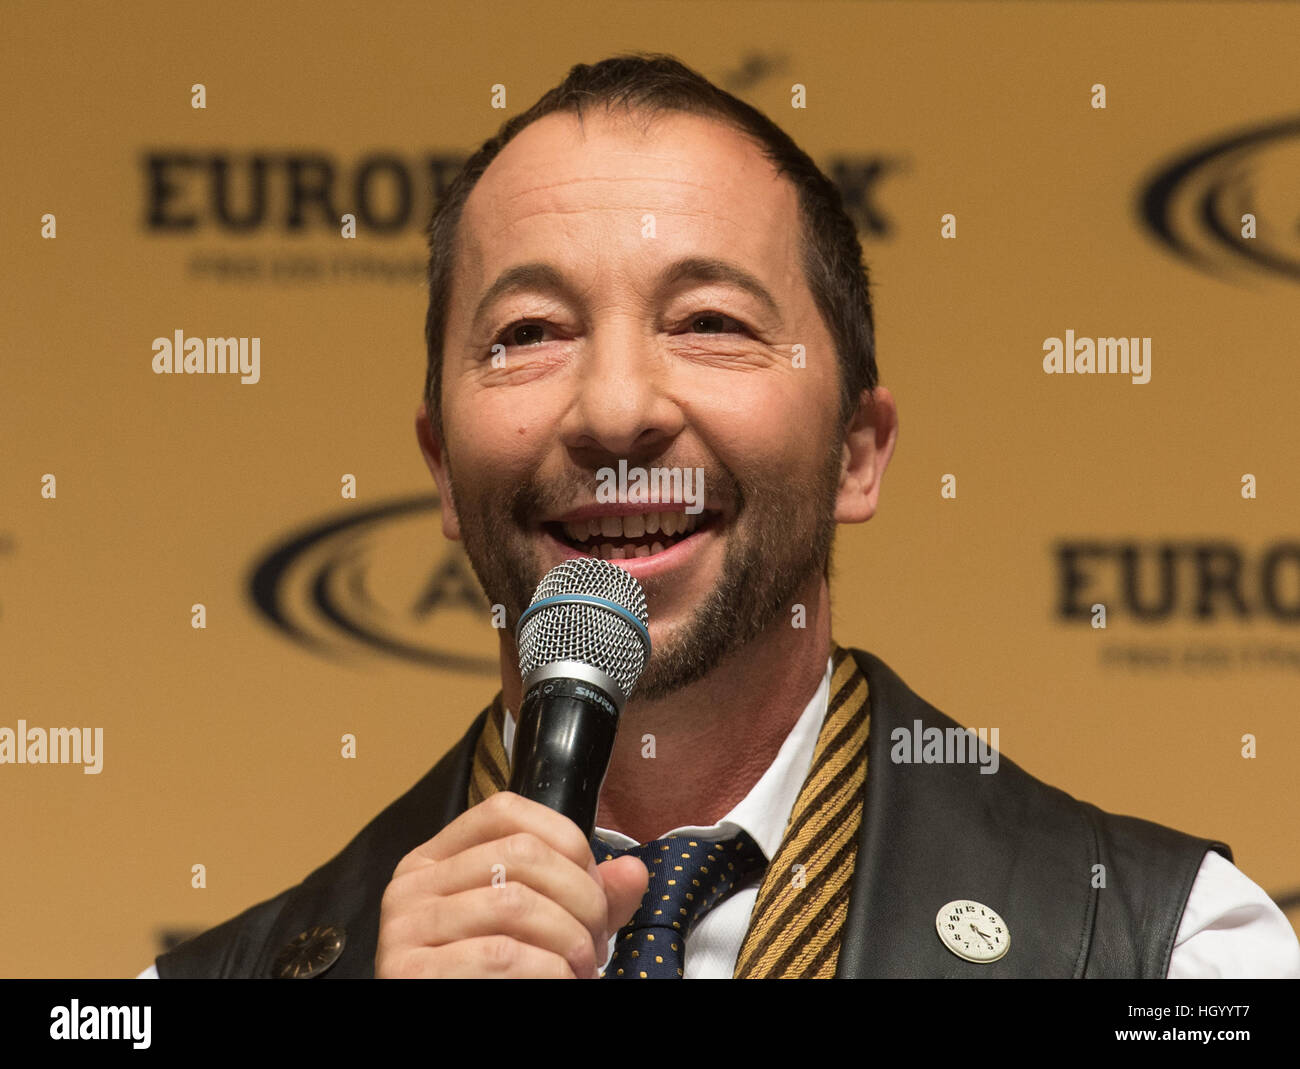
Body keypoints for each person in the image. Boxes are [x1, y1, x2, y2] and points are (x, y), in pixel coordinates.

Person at [143, 53, 1299, 979]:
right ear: (443, 471)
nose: (615, 411)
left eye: (707, 320)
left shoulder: (1172, 949)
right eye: (530, 334)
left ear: (856, 451)